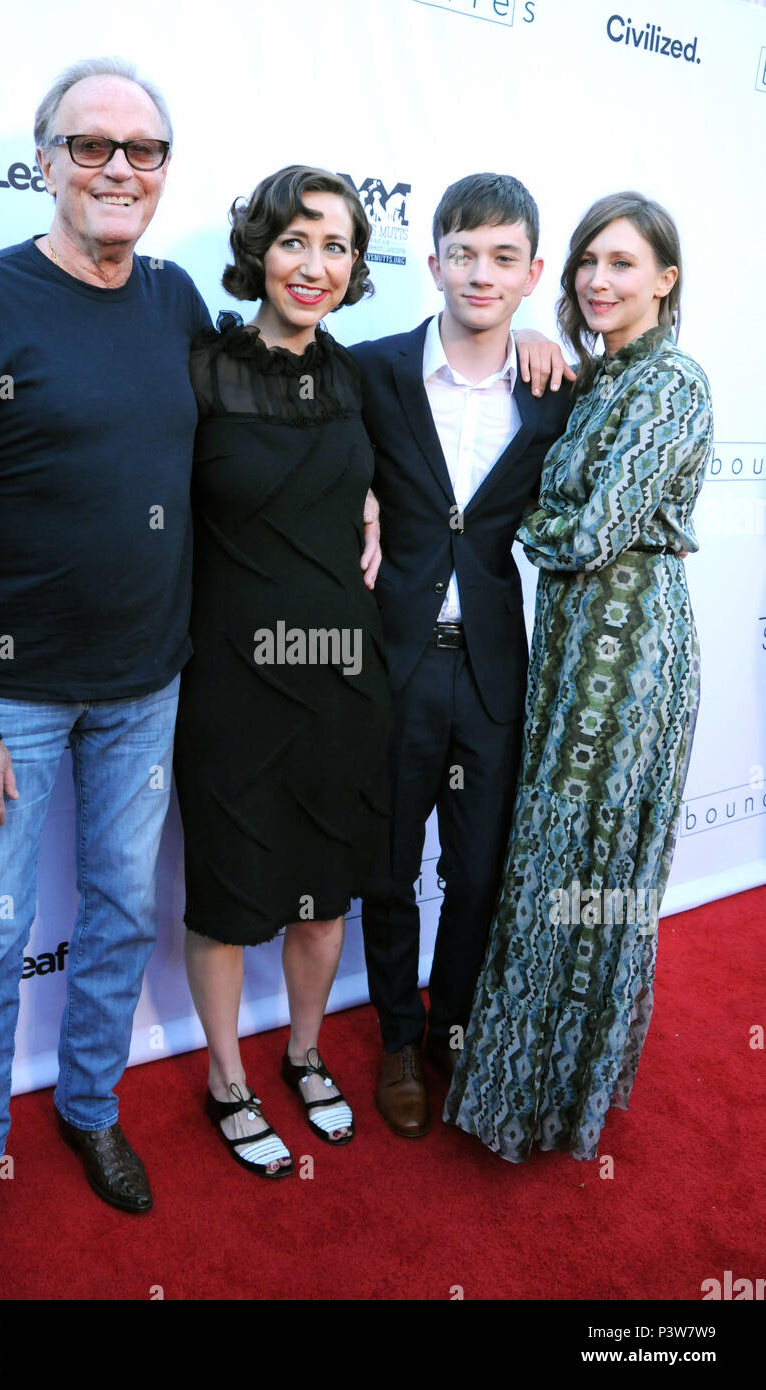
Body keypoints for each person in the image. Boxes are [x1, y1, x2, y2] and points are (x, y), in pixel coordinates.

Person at [0, 57, 212, 1279]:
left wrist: (511, 338)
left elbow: (294, 374)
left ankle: (87, 1107)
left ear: (164, 173)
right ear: (44, 158)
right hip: (4, 707)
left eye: (142, 151)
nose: (119, 169)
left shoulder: (177, 301)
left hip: (148, 689)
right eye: (92, 146)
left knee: (124, 913)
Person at [444, 191, 713, 1162]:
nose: (597, 281)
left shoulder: (671, 385)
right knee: (552, 858)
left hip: (630, 659)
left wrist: (497, 522)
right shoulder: (594, 379)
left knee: (587, 871)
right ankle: (524, 1087)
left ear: (663, 281)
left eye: (622, 265)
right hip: (565, 652)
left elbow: (591, 531)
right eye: (587, 263)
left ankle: (557, 1099)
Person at [173, 166, 391, 1176]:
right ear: (260, 249)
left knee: (323, 893)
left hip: (342, 679)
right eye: (296, 241)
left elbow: (464, 376)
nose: (315, 265)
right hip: (227, 682)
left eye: (337, 246)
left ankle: (303, 1052)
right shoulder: (199, 367)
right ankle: (226, 1077)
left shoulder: (363, 378)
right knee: (226, 893)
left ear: (355, 267)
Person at [351, 173, 573, 1137]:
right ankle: (398, 1035)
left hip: (490, 667)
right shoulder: (370, 371)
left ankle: (453, 1021)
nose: (480, 273)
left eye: (502, 257)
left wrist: (549, 346)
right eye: (462, 252)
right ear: (433, 259)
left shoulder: (555, 388)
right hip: (391, 660)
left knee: (477, 868)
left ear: (532, 272)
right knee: (389, 866)